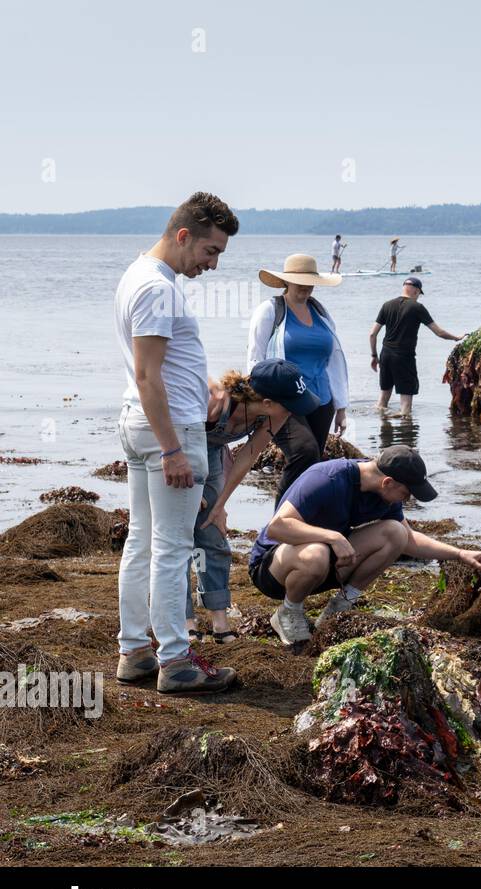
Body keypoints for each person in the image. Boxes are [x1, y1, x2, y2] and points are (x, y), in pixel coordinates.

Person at [113, 191, 240, 694]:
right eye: (210, 251)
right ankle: (176, 662)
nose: (212, 264)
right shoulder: (157, 288)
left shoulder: (140, 275)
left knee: (142, 541)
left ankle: (135, 652)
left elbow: (165, 361)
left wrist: (206, 381)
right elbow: (147, 376)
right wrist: (171, 450)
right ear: (184, 235)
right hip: (168, 431)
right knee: (172, 547)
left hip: (143, 423)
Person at [248, 444, 481, 645]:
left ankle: (340, 608)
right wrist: (333, 537)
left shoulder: (384, 496)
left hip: (326, 565)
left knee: (395, 533)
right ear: (388, 482)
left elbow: (410, 540)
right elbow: (277, 526)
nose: (407, 500)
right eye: (407, 494)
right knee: (317, 552)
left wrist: (459, 554)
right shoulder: (326, 478)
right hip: (273, 568)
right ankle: (289, 613)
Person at [184, 360, 320, 643]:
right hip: (183, 452)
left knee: (212, 532)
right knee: (181, 536)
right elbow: (177, 433)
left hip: (213, 453)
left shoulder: (275, 415)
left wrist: (220, 503)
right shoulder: (215, 403)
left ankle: (219, 617)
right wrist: (192, 488)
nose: (296, 410)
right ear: (268, 402)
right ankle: (185, 618)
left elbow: (248, 455)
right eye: (291, 403)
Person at [247, 254, 350, 502]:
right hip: (284, 399)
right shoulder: (271, 310)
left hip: (321, 400)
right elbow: (254, 357)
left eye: (309, 281)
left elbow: (334, 360)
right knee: (303, 452)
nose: (305, 286)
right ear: (287, 282)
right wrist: (257, 402)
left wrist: (341, 407)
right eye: (299, 281)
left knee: (312, 464)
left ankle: (301, 519)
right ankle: (279, 523)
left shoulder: (321, 312)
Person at [370, 277, 463, 416]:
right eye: (419, 293)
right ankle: (406, 431)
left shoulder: (387, 305)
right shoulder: (417, 307)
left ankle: (383, 429)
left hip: (385, 355)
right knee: (406, 402)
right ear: (416, 290)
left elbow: (372, 334)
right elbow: (438, 332)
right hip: (403, 357)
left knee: (383, 398)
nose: (418, 296)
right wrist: (456, 337)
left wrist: (374, 356)